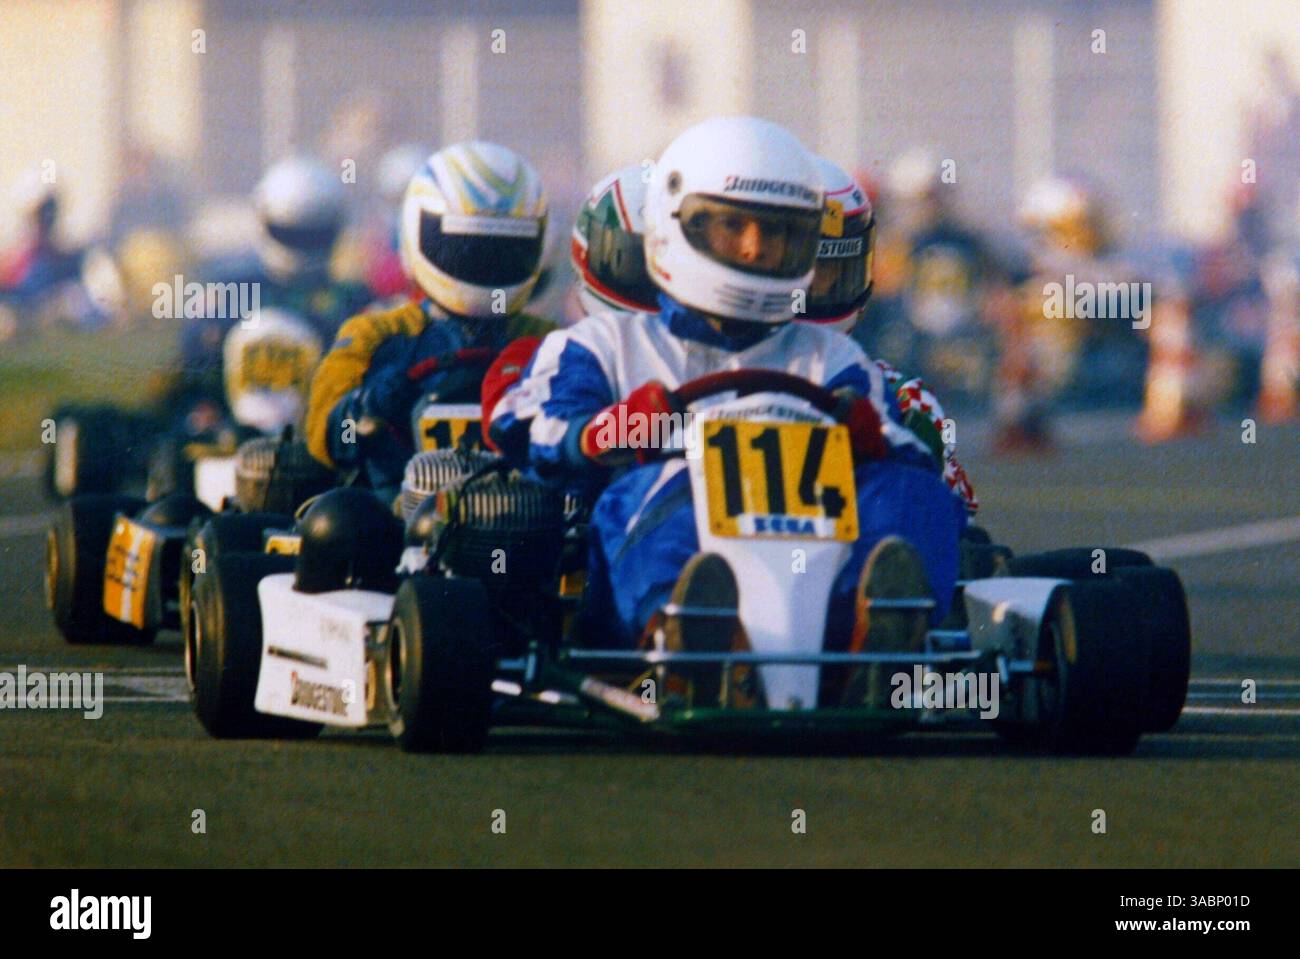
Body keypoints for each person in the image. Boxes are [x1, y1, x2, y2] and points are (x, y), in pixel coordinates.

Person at [496, 117, 966, 706]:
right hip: (641, 549)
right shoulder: (605, 343)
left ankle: (875, 645)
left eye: (777, 233)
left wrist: (870, 437)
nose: (754, 247)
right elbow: (518, 425)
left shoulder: (828, 354)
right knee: (668, 484)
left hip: (815, 552)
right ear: (675, 226)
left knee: (909, 492)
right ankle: (689, 636)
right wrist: (603, 432)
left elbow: (913, 454)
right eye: (731, 227)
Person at [303, 141, 554, 501]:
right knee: (337, 524)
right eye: (467, 249)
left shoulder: (548, 342)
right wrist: (363, 409)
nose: (484, 264)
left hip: (525, 525)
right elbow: (322, 440)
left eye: (499, 251)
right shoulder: (373, 335)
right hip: (396, 529)